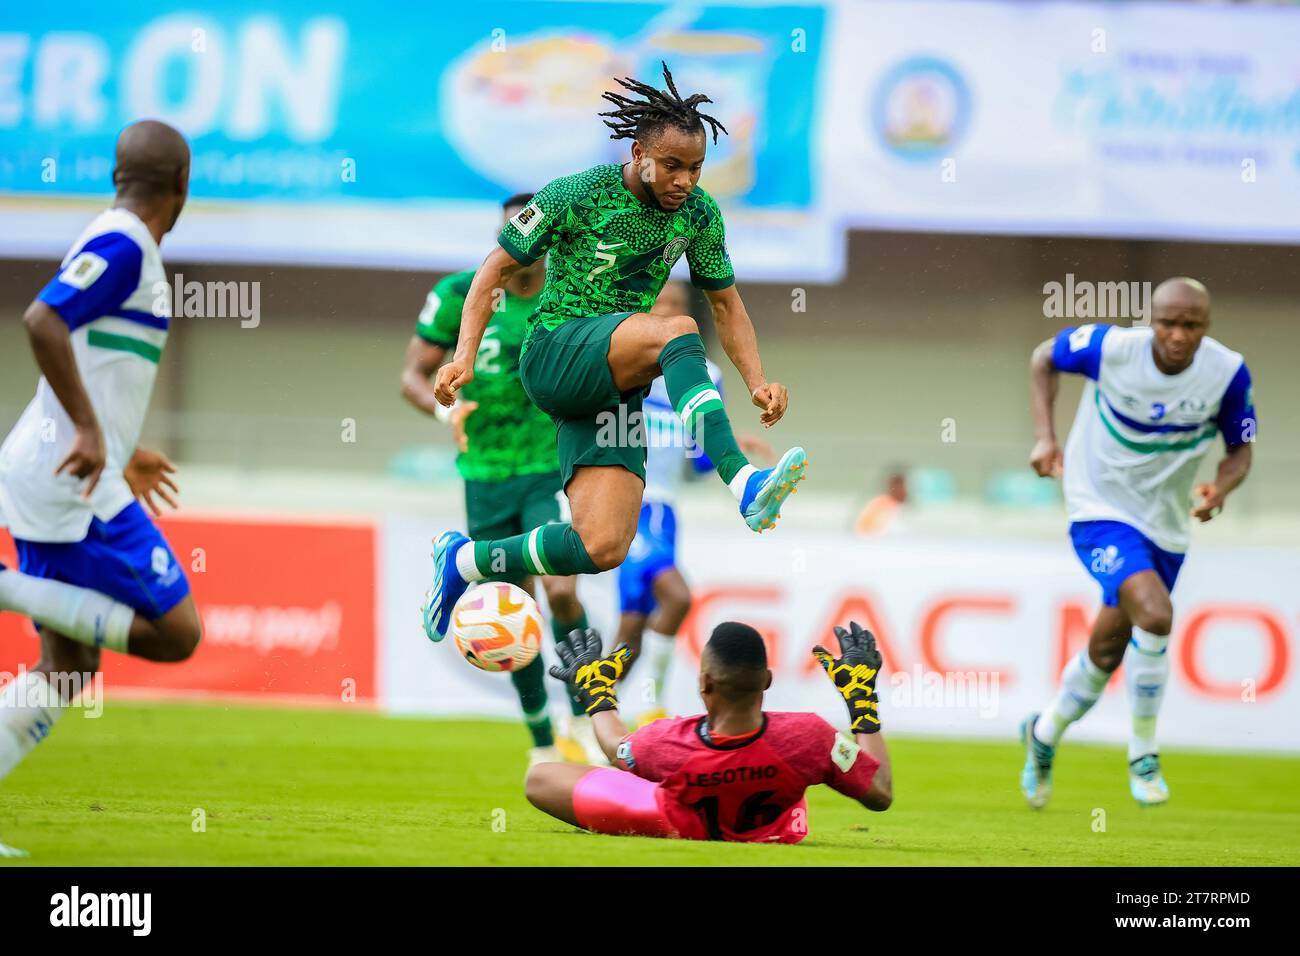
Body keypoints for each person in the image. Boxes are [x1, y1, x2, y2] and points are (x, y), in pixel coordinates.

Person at [420, 62, 806, 643]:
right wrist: (463, 358)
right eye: (672, 165)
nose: (684, 181)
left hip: (610, 384)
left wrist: (755, 379)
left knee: (601, 546)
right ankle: (744, 483)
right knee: (675, 330)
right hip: (555, 355)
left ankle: (464, 562)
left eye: (696, 168)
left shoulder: (699, 214)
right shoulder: (577, 194)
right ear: (638, 152)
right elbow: (494, 269)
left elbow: (726, 305)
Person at [0, 121, 202, 855]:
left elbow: (85, 349)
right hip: (70, 481)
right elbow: (43, 319)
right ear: (182, 187)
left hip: (64, 470)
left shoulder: (114, 237)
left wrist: (119, 439)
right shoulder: (126, 245)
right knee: (178, 634)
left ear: (118, 176)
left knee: (69, 667)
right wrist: (91, 433)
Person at [1021, 277, 1255, 808]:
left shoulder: (1226, 373)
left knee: (1106, 651)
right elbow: (1042, 357)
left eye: (1190, 325)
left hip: (1167, 523)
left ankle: (1043, 733)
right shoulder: (1111, 349)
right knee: (1154, 613)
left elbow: (1240, 450)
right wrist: (1045, 435)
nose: (1177, 335)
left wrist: (1220, 489)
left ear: (1206, 327)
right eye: (1167, 322)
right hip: (1098, 504)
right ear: (1151, 320)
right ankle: (1143, 753)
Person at [400, 192, 600, 766]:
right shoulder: (459, 293)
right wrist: (445, 409)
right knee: (513, 608)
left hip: (546, 468)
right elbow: (411, 375)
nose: (523, 247)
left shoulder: (569, 293)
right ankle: (542, 744)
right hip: (484, 475)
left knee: (562, 587)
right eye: (512, 235)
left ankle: (584, 715)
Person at [525, 621, 892, 842]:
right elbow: (880, 793)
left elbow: (614, 747)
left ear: (704, 683)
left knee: (540, 778)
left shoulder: (665, 743)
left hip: (670, 821)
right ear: (766, 680)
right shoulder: (810, 737)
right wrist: (862, 701)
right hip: (777, 830)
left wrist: (597, 695)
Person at [614, 279, 774, 723]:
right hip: (626, 504)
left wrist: (729, 446)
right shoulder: (622, 354)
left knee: (631, 630)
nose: (666, 308)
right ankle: (651, 708)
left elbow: (699, 461)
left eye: (677, 303)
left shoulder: (707, 373)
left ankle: (591, 712)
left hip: (665, 511)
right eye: (659, 300)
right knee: (678, 598)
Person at [853, 468, 908, 536]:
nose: (905, 491)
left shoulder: (900, 506)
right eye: (900, 487)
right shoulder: (881, 504)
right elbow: (864, 529)